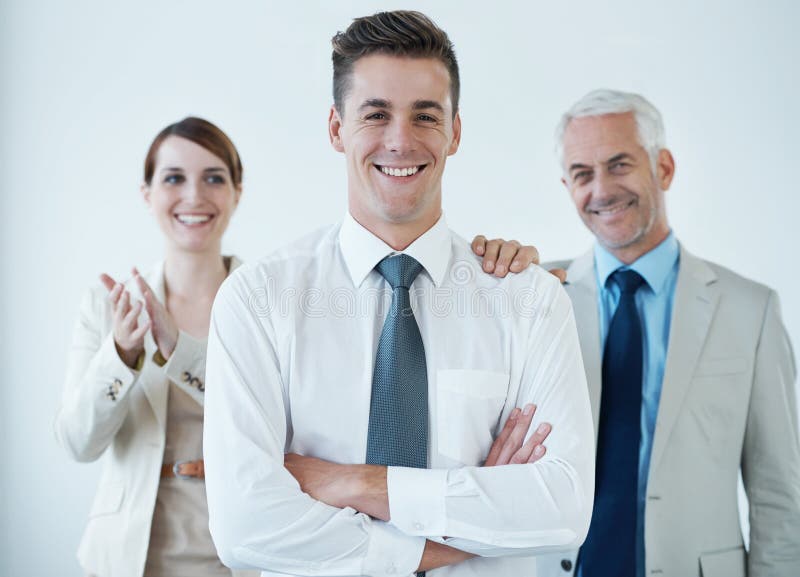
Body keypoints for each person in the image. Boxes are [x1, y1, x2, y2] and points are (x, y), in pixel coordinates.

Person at [204, 10, 594, 577]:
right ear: (337, 129)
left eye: (425, 116)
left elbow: (562, 508)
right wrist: (457, 536)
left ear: (455, 131)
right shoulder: (258, 300)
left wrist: (358, 484)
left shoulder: (528, 300)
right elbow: (244, 526)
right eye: (376, 114)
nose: (400, 140)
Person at [531, 89, 800, 577]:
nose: (602, 190)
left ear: (665, 167)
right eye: (582, 174)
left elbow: (778, 493)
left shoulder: (750, 310)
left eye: (619, 165)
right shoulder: (536, 296)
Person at [54, 117, 262, 577]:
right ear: (147, 194)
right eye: (173, 178)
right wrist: (121, 355)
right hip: (126, 557)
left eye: (214, 177)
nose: (194, 196)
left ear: (237, 192)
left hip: (237, 557)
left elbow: (284, 433)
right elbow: (77, 442)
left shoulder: (267, 307)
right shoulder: (105, 305)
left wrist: (179, 350)